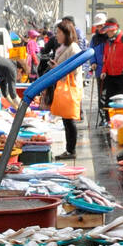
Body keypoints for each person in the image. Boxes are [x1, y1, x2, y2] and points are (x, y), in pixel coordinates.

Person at [49, 18, 82, 159]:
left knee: (69, 120)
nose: (56, 35)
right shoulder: (64, 48)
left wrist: (57, 68)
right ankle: (69, 149)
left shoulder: (73, 49)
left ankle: (71, 150)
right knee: (66, 119)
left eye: (58, 33)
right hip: (63, 87)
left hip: (70, 87)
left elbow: (74, 70)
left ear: (66, 34)